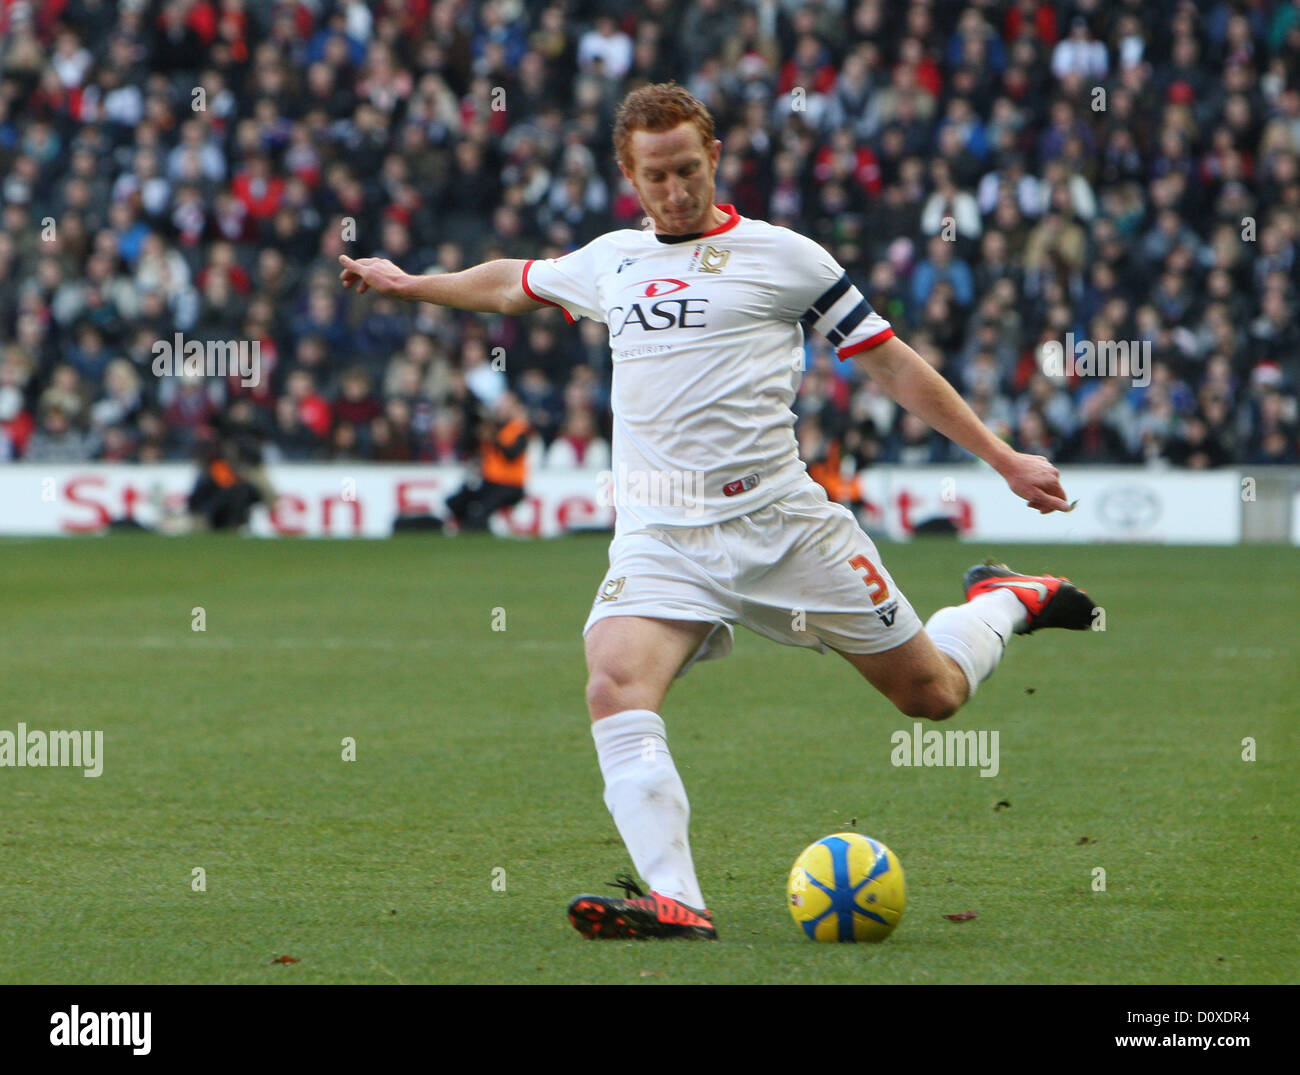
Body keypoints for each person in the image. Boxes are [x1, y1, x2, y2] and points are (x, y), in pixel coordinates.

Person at [339, 83, 1095, 942]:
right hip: (662, 534)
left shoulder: (788, 258)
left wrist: (1001, 457)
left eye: (689, 170)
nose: (676, 191)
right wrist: (408, 284)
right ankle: (677, 897)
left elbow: (891, 364)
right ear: (629, 174)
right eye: (656, 176)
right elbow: (512, 284)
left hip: (783, 526)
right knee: (613, 682)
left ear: (716, 158)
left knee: (933, 696)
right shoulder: (610, 260)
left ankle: (1006, 598)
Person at [443, 391, 533, 531]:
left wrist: (494, 438)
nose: (501, 409)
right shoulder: (489, 428)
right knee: (455, 502)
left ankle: (474, 528)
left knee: (479, 516)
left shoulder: (519, 430)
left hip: (509, 484)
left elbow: (512, 455)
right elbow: (467, 448)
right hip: (489, 482)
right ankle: (463, 524)